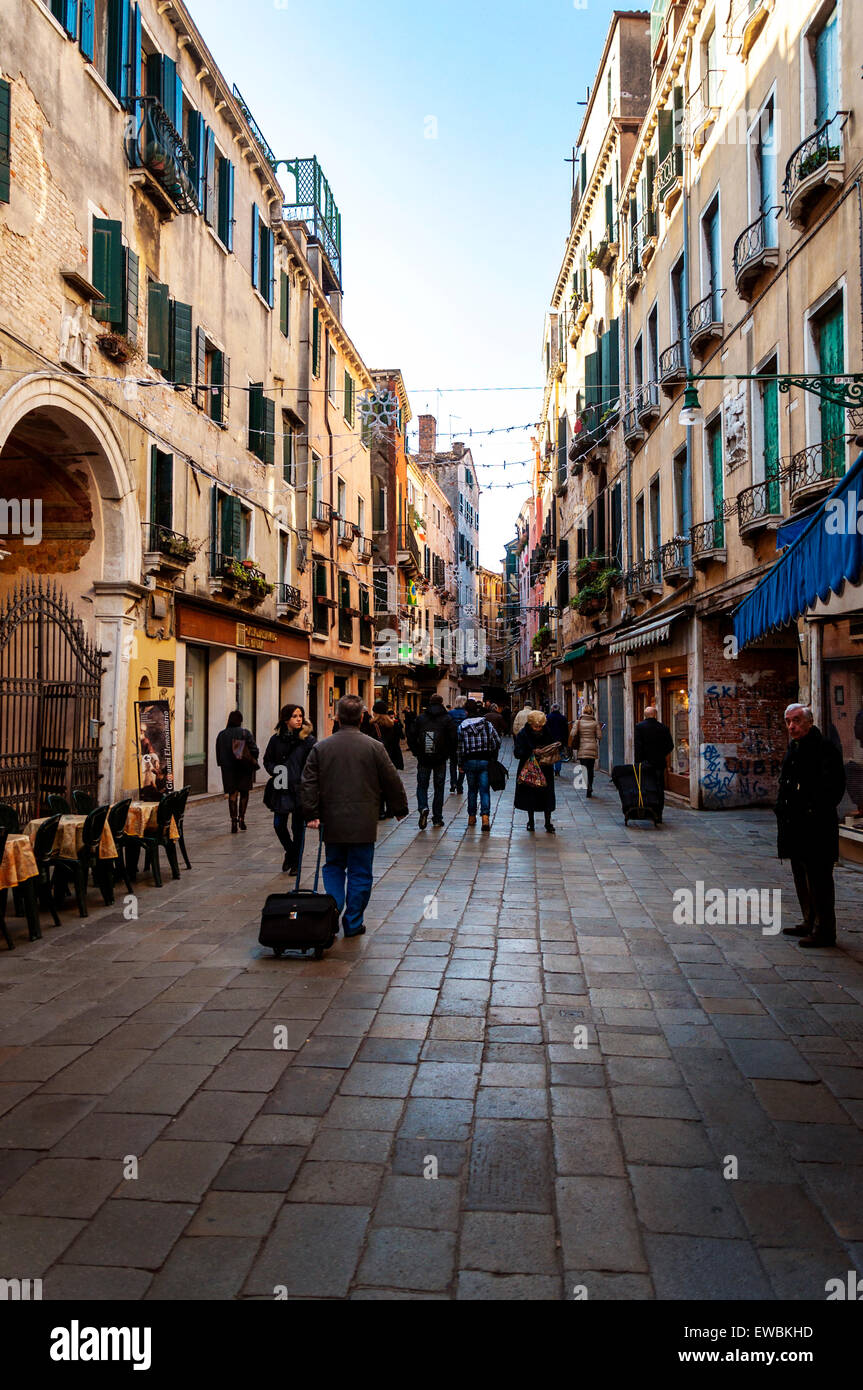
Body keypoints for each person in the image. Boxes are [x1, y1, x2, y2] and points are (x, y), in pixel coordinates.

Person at [301, 695, 408, 938]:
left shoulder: (321, 747)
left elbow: (308, 783)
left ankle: (333, 908)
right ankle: (353, 922)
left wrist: (311, 813)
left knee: (334, 866)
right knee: (360, 871)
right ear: (362, 718)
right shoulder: (374, 747)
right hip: (363, 822)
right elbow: (392, 780)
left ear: (337, 717)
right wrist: (399, 808)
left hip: (333, 821)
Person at [777, 703, 846, 949]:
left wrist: (813, 810)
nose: (791, 726)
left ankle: (825, 930)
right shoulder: (794, 747)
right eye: (788, 722)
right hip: (795, 825)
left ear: (809, 721)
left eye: (796, 720)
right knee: (801, 875)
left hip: (816, 826)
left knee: (820, 878)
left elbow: (835, 787)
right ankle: (809, 920)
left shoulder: (824, 748)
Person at [262, 704, 316, 873]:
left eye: (300, 715)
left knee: (298, 828)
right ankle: (291, 852)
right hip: (281, 786)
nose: (299, 719)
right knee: (279, 824)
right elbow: (267, 760)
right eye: (294, 716)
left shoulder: (308, 740)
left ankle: (296, 864)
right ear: (286, 719)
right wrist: (275, 771)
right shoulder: (276, 740)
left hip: (300, 789)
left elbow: (313, 764)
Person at [410, 694, 457, 828]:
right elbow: (453, 739)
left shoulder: (421, 718)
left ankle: (423, 807)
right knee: (439, 788)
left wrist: (416, 752)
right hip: (440, 758)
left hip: (424, 758)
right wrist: (449, 754)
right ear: (441, 703)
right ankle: (437, 818)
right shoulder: (447, 719)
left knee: (422, 785)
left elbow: (411, 736)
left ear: (429, 703)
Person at [458, 698, 502, 831]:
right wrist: (491, 751)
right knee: (484, 790)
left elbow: (459, 747)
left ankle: (471, 817)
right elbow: (497, 741)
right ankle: (485, 817)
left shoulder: (462, 727)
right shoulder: (487, 725)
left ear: (466, 712)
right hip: (485, 761)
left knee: (472, 790)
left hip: (469, 761)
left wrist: (460, 763)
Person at [513, 709, 557, 833]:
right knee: (529, 795)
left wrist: (549, 749)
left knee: (546, 795)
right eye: (535, 726)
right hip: (529, 768)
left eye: (540, 726)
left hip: (545, 768)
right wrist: (531, 752)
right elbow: (517, 752)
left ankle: (548, 822)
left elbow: (553, 745)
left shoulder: (548, 733)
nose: (537, 729)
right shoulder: (523, 734)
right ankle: (530, 821)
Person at [215, 710, 259, 833]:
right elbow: (254, 749)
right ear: (240, 720)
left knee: (232, 794)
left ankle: (233, 821)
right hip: (244, 768)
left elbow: (218, 752)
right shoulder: (245, 733)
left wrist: (222, 764)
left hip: (228, 769)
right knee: (244, 793)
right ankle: (242, 819)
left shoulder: (221, 734)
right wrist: (253, 758)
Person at [634, 704, 674, 823]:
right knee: (659, 789)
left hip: (645, 764)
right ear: (655, 715)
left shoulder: (639, 727)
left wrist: (638, 762)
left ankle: (648, 811)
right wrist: (661, 754)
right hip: (659, 763)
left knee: (646, 787)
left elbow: (638, 747)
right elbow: (670, 746)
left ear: (645, 716)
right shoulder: (663, 727)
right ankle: (659, 813)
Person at [371, 700, 404, 820]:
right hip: (392, 758)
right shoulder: (394, 725)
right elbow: (398, 741)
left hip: (378, 759)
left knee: (378, 785)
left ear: (375, 712)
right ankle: (390, 810)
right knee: (390, 784)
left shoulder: (373, 726)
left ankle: (380, 811)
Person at [570, 703, 601, 797]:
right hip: (592, 748)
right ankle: (590, 786)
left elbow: (572, 734)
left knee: (584, 769)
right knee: (590, 769)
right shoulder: (595, 723)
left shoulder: (578, 722)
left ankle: (587, 785)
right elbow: (599, 736)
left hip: (582, 748)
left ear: (583, 712)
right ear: (592, 712)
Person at [447, 696, 469, 793]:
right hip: (464, 742)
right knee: (462, 764)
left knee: (452, 763)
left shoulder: (450, 713)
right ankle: (460, 784)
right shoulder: (466, 713)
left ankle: (453, 783)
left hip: (452, 742)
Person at [546, 703, 570, 776]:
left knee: (550, 755)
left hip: (550, 740)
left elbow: (545, 730)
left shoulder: (548, 717)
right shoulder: (563, 718)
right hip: (560, 740)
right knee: (559, 755)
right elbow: (566, 731)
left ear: (552, 709)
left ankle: (551, 769)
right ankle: (557, 771)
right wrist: (565, 741)